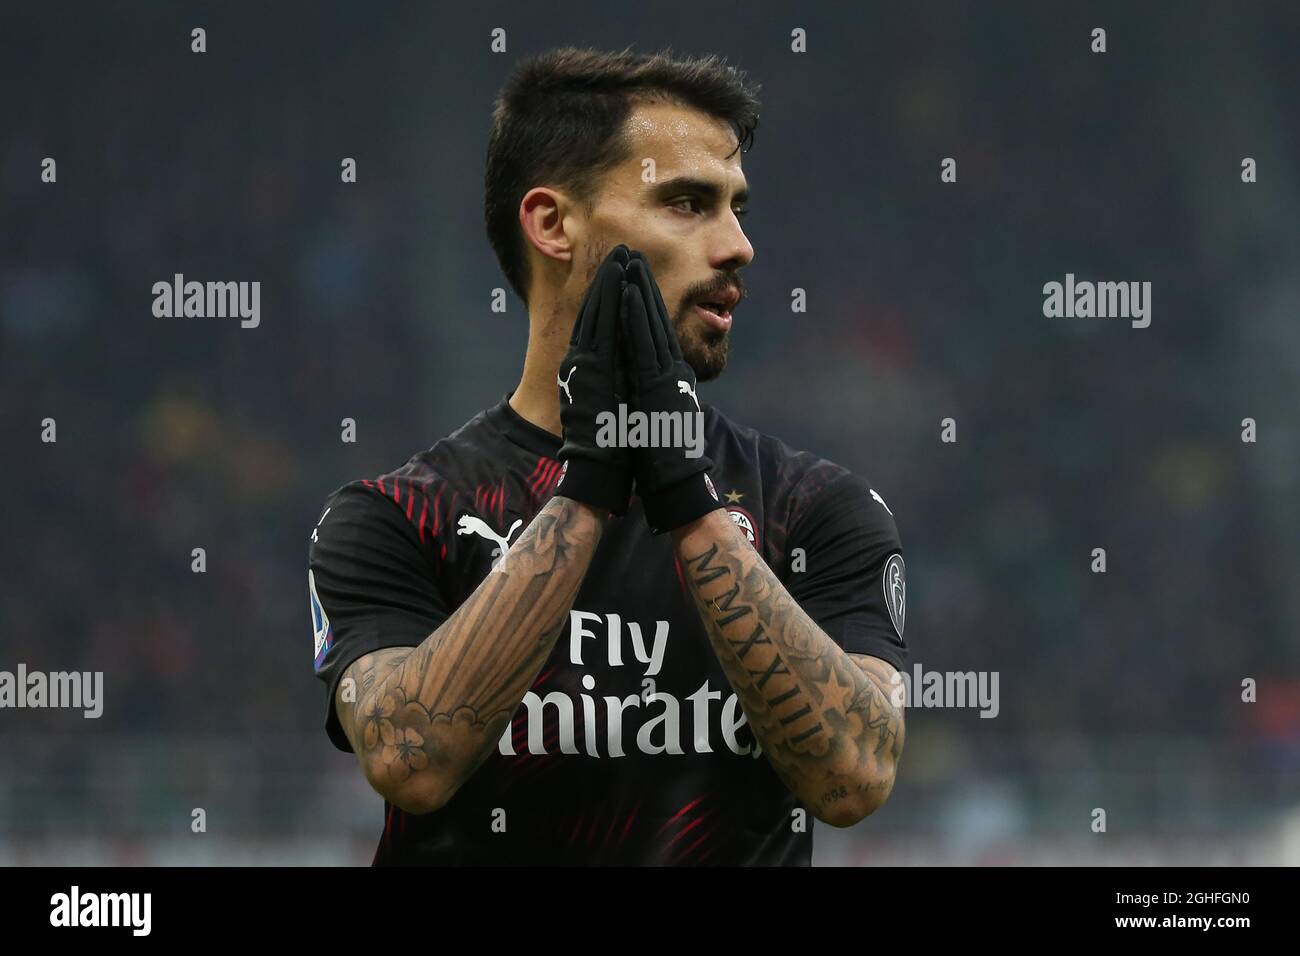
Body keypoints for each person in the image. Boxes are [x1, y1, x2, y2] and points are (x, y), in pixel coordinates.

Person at [308, 47, 908, 865]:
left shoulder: (815, 509)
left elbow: (855, 779)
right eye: (688, 203)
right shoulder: (392, 519)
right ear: (553, 223)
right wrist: (588, 487)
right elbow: (409, 761)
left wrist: (684, 496)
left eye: (738, 208)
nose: (739, 246)